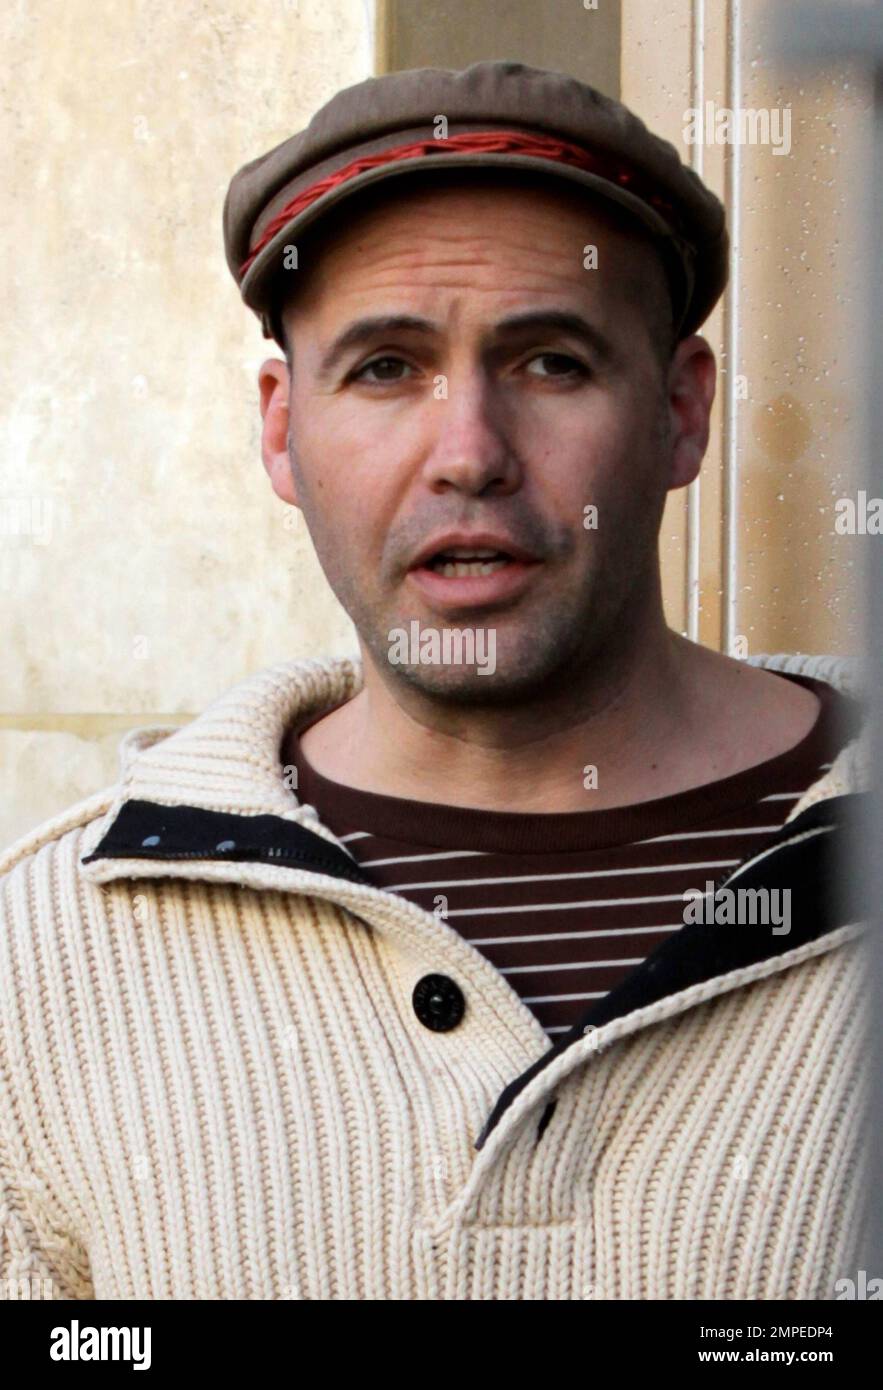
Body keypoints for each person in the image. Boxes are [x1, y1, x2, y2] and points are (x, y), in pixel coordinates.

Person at [0, 60, 869, 1301]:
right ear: (279, 427)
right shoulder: (42, 960)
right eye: (384, 369)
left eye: (553, 362)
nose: (467, 453)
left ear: (682, 413)